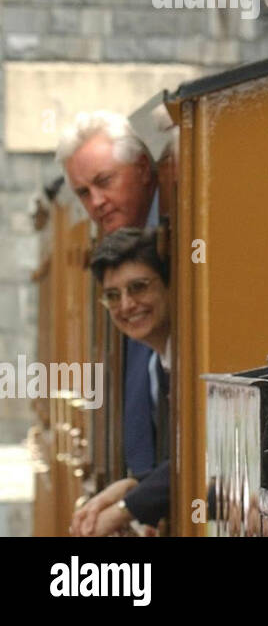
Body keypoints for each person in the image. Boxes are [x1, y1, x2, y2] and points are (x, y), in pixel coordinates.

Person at [57, 112, 161, 488]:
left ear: (143, 168)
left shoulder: (171, 230)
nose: (96, 202)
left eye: (104, 182)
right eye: (84, 192)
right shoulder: (122, 239)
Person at [69, 229, 171, 536]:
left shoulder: (195, 358)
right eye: (113, 295)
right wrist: (130, 486)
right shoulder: (161, 364)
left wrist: (127, 508)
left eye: (138, 287)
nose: (126, 305)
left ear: (169, 285)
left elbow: (205, 459)